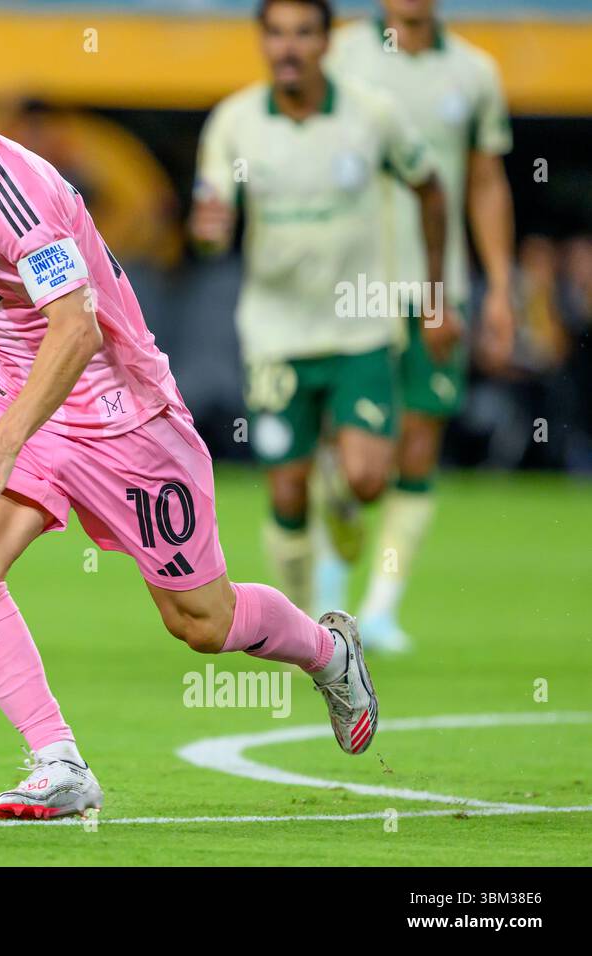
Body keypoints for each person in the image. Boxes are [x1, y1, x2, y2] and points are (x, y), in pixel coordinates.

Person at [0, 29, 379, 821]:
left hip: (124, 414)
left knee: (199, 621)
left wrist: (2, 448)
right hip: (22, 400)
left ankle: (331, 654)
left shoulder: (18, 197)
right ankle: (59, 763)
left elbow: (78, 329)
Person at [192, 0, 449, 624]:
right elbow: (209, 226)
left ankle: (341, 492)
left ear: (326, 40)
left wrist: (435, 290)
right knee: (284, 487)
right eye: (277, 33)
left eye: (304, 33)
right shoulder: (234, 122)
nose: (289, 47)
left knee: (366, 479)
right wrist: (208, 230)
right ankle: (304, 630)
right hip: (275, 334)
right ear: (262, 40)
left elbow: (429, 186)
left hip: (360, 325)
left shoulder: (371, 114)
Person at [321, 0, 516, 651]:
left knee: (417, 445)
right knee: (348, 450)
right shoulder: (344, 51)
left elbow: (485, 182)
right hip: (352, 281)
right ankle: (326, 597)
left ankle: (378, 607)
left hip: (437, 287)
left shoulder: (474, 71)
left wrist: (499, 291)